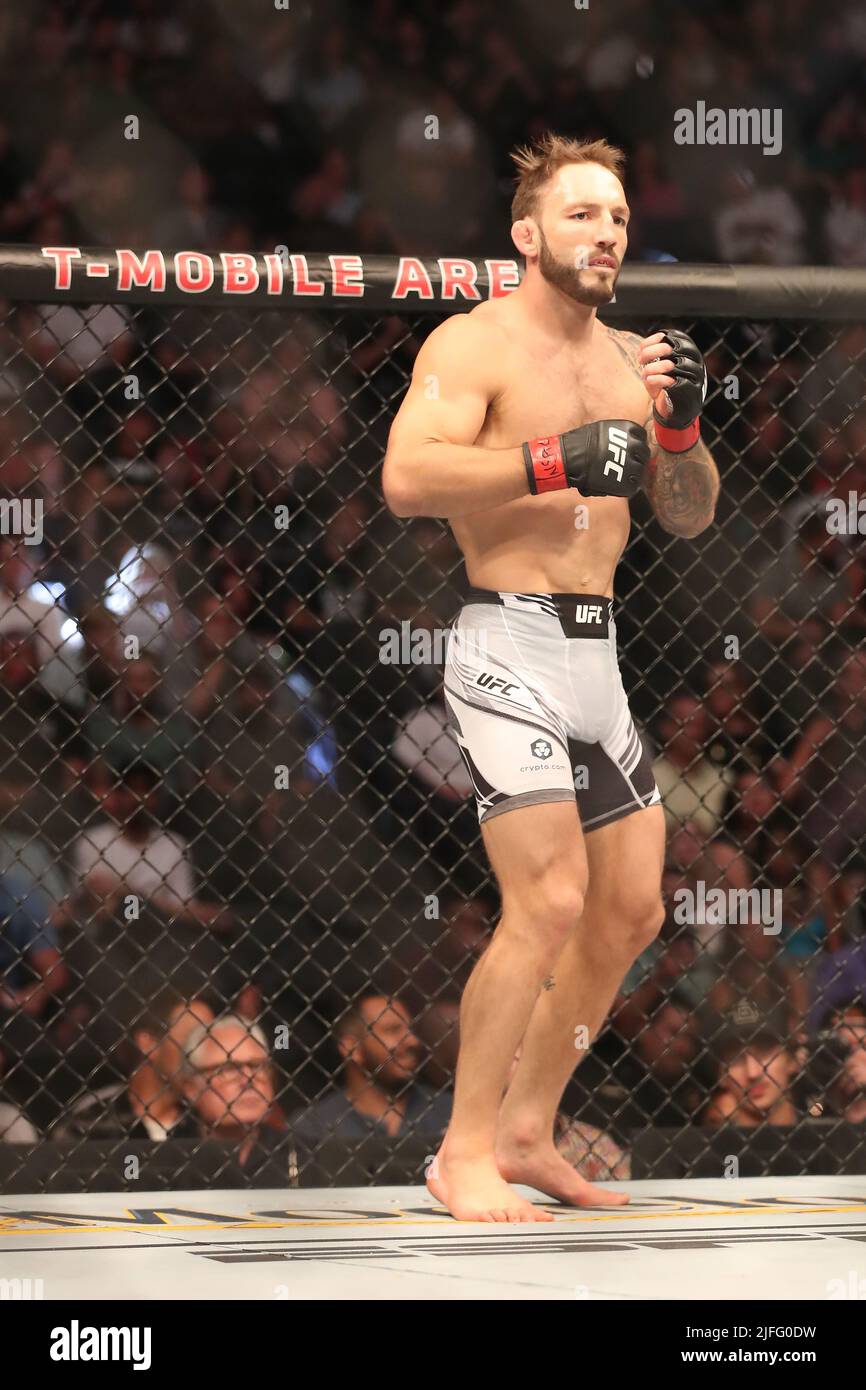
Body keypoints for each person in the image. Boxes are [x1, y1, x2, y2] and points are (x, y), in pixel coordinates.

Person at [382, 131, 719, 1221]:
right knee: (547, 898)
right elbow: (405, 477)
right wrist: (551, 460)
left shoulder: (631, 360)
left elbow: (688, 511)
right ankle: (461, 1151)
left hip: (596, 651)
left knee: (624, 910)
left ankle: (529, 1127)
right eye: (582, 214)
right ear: (527, 234)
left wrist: (678, 428)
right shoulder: (472, 344)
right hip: (507, 640)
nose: (606, 234)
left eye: (617, 217)